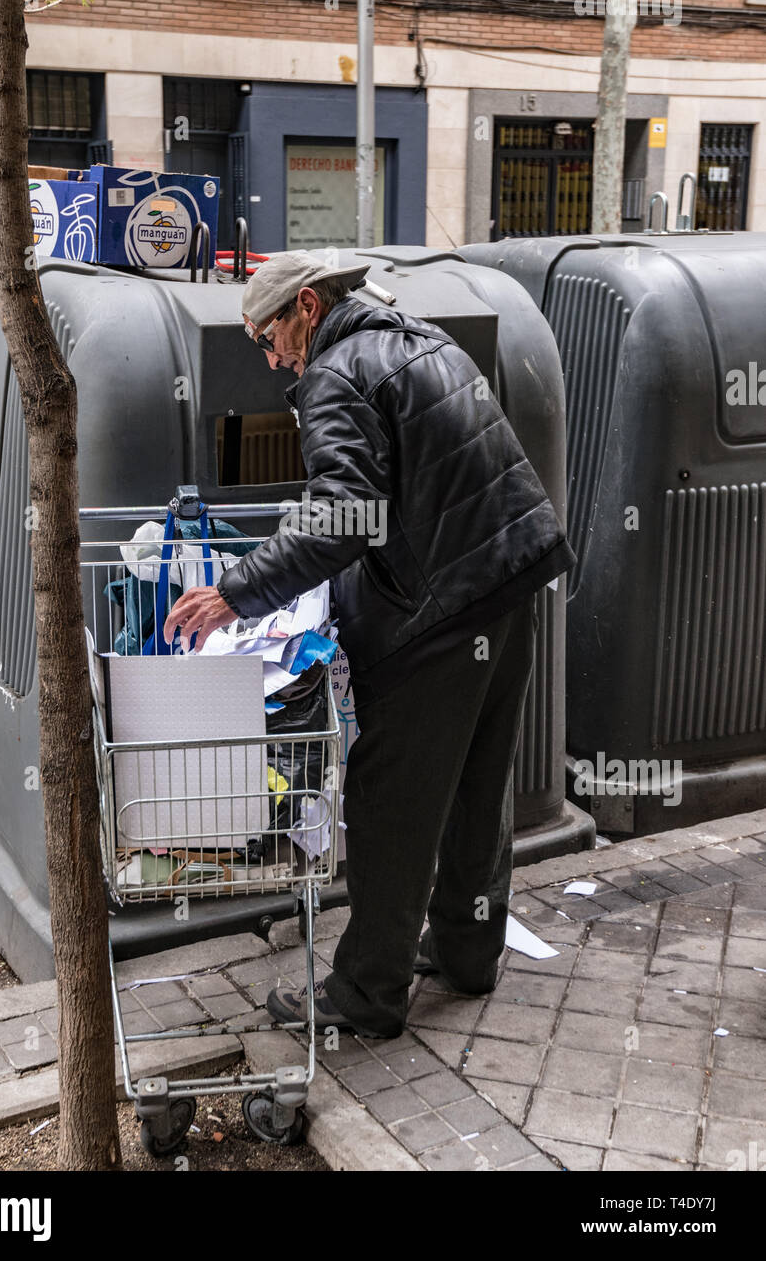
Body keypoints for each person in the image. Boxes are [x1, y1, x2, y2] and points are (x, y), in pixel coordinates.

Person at [164, 251, 575, 1040]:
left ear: (308, 309)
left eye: (269, 335)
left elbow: (345, 514)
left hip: (441, 612)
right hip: (507, 583)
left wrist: (236, 592)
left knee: (389, 800)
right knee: (475, 784)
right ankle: (465, 951)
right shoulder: (419, 337)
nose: (270, 355)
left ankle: (368, 992)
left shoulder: (335, 373)